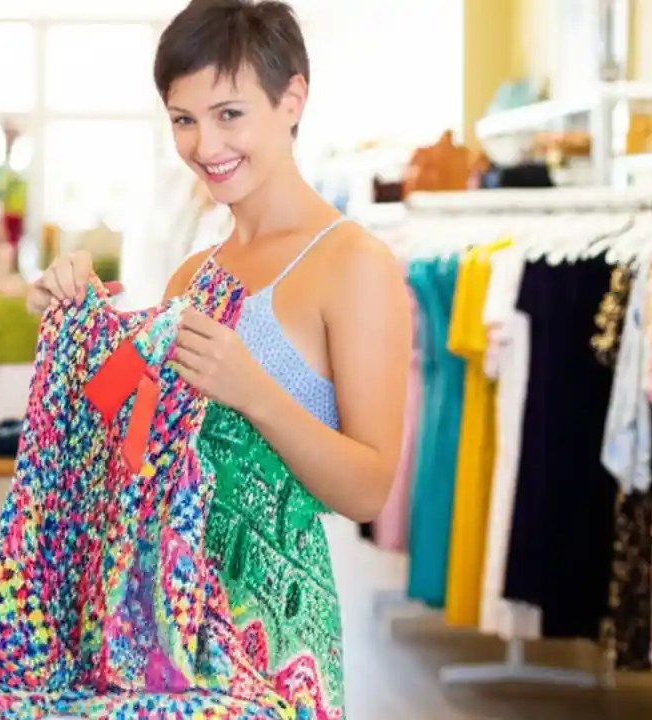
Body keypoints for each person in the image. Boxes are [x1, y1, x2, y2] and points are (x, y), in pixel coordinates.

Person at [26, 0, 411, 715]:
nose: (205, 145)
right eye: (183, 119)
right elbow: (119, 434)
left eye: (229, 114)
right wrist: (73, 314)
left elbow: (367, 489)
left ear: (291, 99)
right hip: (164, 631)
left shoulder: (355, 263)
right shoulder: (192, 275)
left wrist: (253, 389)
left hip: (274, 637)